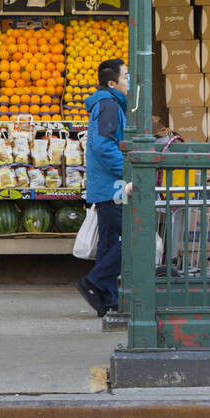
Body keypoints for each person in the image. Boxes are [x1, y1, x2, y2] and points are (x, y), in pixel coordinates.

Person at [77, 58, 132, 316]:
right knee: (133, 239)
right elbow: (102, 145)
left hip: (106, 186)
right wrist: (127, 171)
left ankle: (107, 299)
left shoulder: (108, 103)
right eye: (126, 77)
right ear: (112, 83)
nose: (129, 81)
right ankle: (94, 281)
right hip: (113, 187)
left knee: (109, 244)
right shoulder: (109, 105)